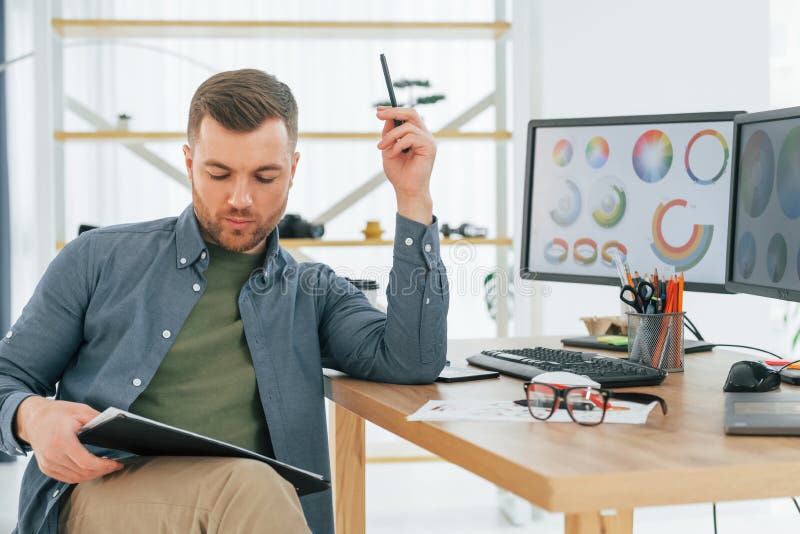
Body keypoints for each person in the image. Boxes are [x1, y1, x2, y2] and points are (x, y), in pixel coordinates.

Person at [0, 68, 448, 533]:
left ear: (293, 171)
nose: (241, 198)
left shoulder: (313, 291)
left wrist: (413, 197)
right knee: (253, 485)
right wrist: (32, 416)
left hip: (251, 511)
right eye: (219, 173)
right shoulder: (97, 258)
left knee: (253, 487)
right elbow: (7, 377)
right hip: (101, 495)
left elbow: (411, 360)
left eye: (264, 176)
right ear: (189, 162)